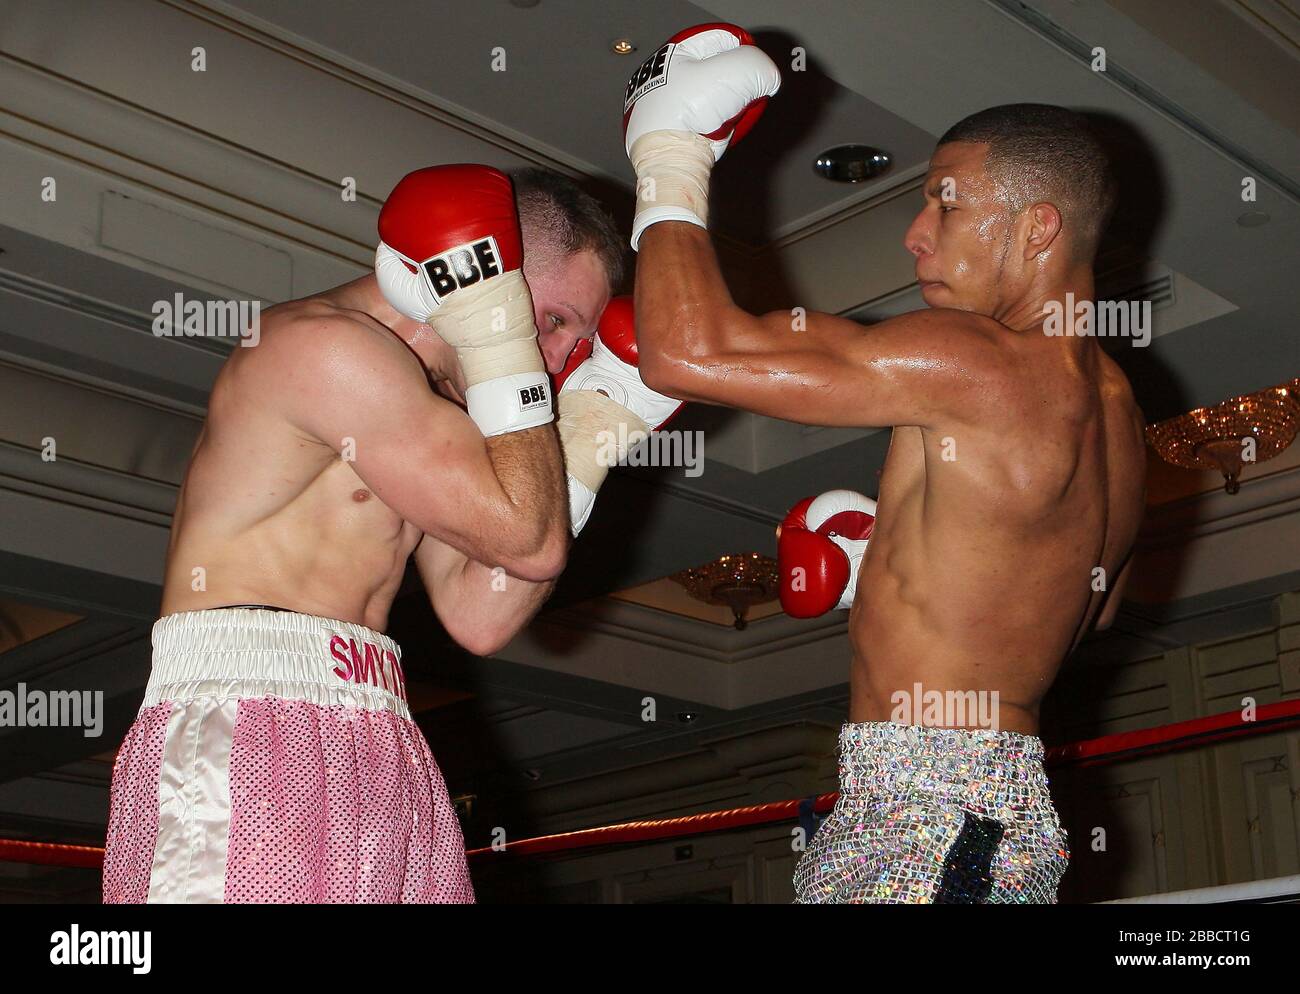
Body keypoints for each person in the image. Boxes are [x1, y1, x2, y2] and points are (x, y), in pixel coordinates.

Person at [623, 24, 1147, 903]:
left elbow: (683, 353)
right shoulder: (1123, 412)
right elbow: (1086, 609)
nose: (914, 234)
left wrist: (666, 153)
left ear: (1039, 228)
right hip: (980, 809)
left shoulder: (977, 359)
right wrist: (890, 568)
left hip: (933, 817)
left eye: (947, 203)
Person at [102, 164, 678, 903]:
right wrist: (546, 397)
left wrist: (597, 430)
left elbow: (482, 613)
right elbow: (529, 542)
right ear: (491, 270)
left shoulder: (443, 407)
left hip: (379, 722)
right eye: (558, 321)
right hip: (248, 719)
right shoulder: (319, 349)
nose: (564, 362)